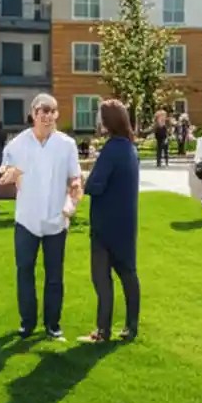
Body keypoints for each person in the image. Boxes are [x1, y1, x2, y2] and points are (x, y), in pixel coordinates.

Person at [0, 94, 83, 340]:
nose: (47, 116)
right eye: (42, 111)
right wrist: (10, 172)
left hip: (56, 220)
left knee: (54, 275)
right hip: (27, 220)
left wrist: (76, 186)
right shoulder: (18, 144)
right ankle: (27, 323)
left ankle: (53, 325)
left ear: (56, 115)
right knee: (25, 271)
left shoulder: (66, 144)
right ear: (33, 114)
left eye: (52, 111)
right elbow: (5, 169)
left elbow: (73, 176)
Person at [79, 99, 141, 343]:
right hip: (126, 223)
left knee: (101, 277)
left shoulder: (111, 149)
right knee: (128, 274)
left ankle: (103, 330)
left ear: (108, 121)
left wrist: (83, 178)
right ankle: (131, 327)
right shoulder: (129, 147)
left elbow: (95, 185)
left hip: (105, 223)